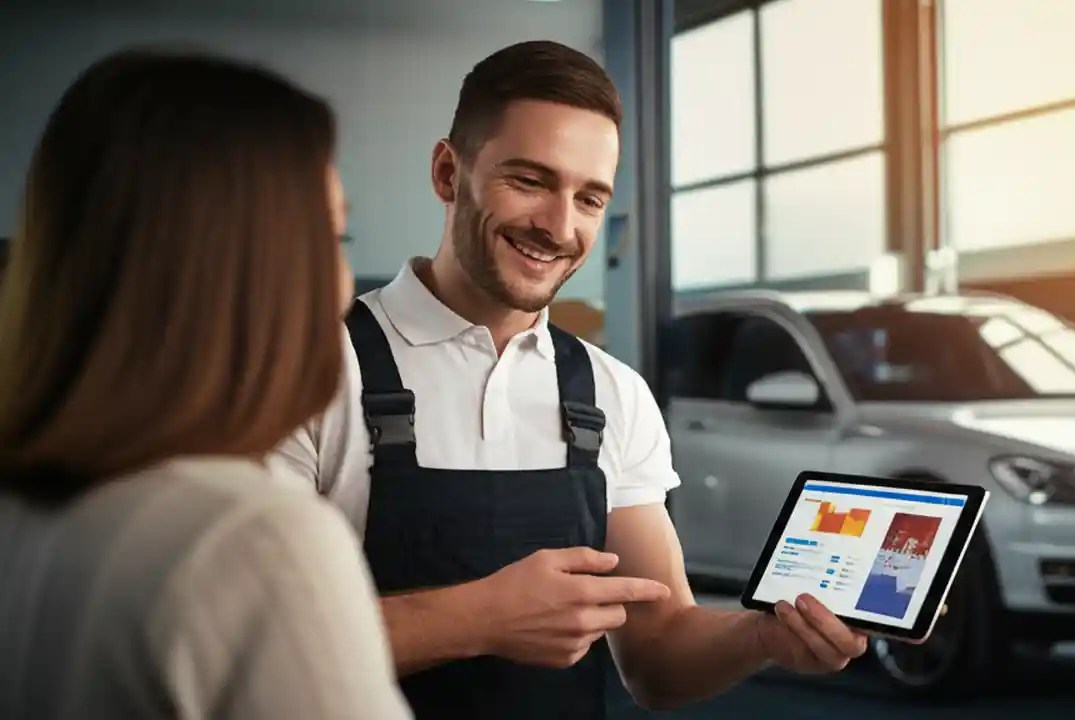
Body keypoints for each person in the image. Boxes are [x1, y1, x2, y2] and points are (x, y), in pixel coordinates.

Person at [269, 39, 867, 718]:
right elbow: (246, 649)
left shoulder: (614, 395)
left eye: (589, 199)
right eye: (529, 181)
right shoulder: (299, 370)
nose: (559, 226)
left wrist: (763, 635)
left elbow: (658, 657)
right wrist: (480, 618)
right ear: (446, 172)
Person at [0, 49, 411, 719]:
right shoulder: (256, 541)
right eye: (335, 237)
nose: (342, 285)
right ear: (253, 270)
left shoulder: (23, 509)